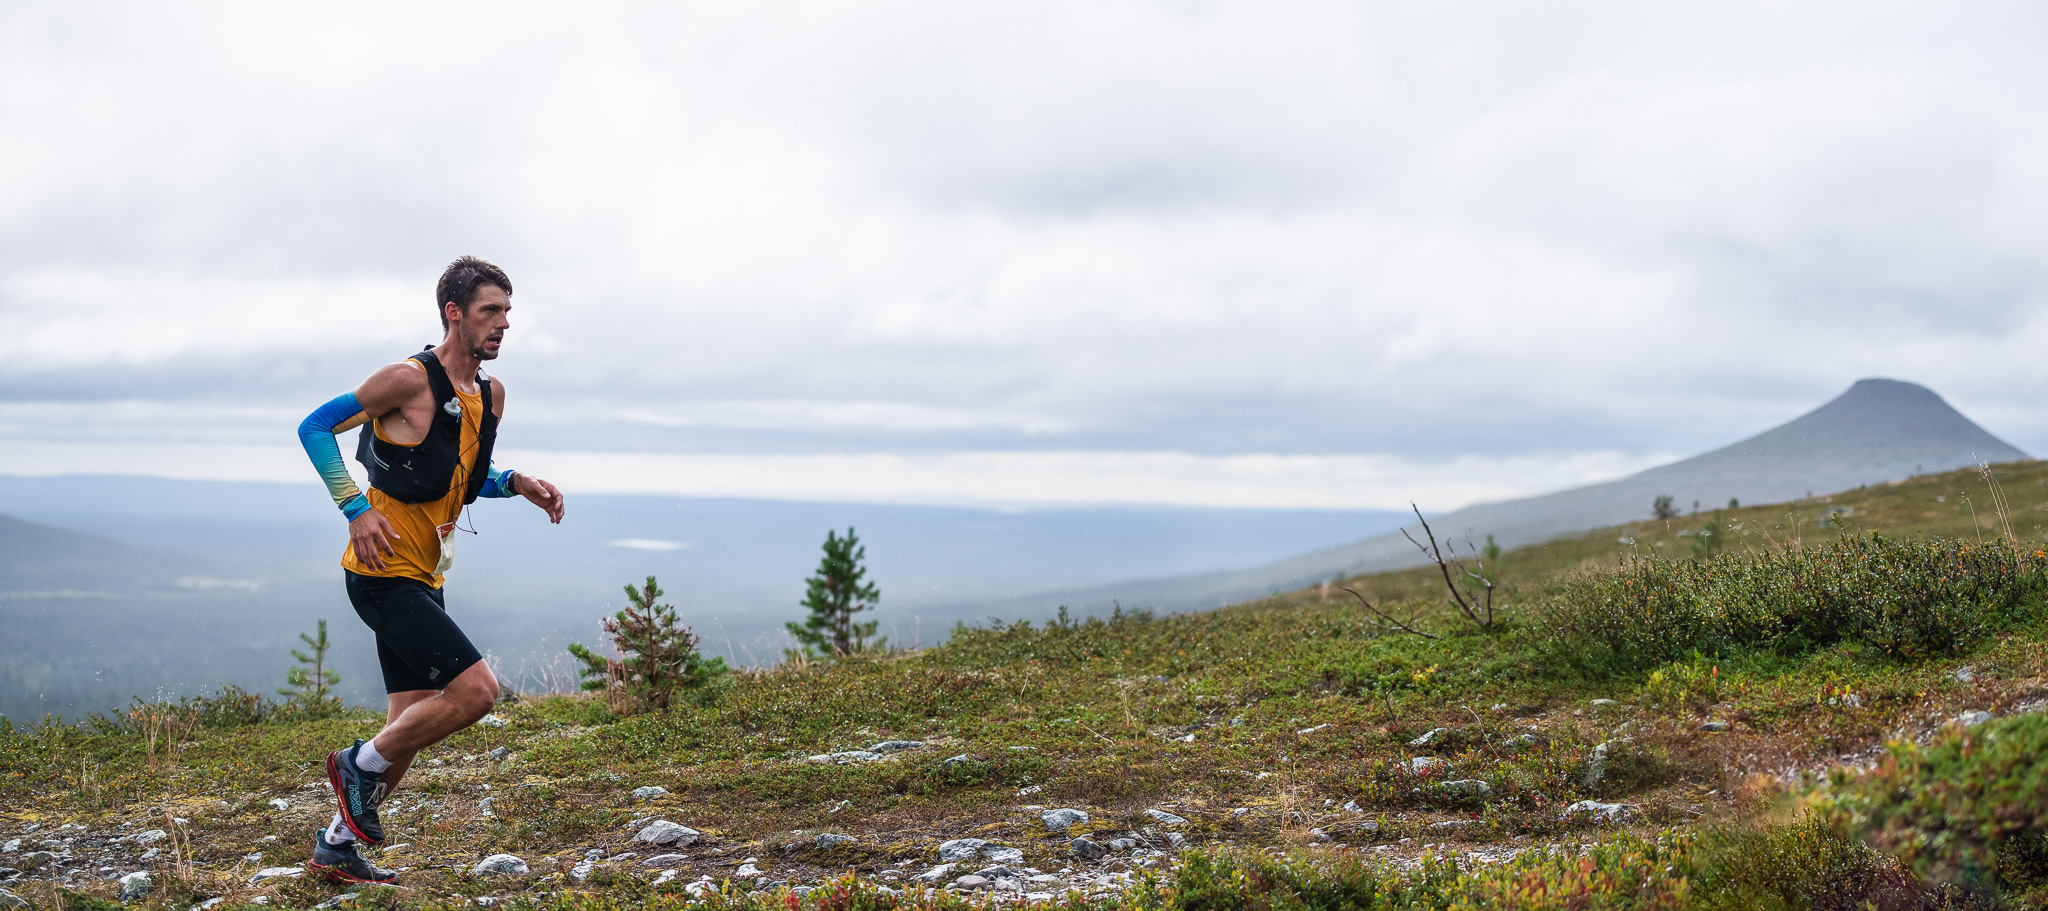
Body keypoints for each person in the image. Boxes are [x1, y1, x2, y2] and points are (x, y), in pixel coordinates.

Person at [293, 256, 565, 884]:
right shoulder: (407, 380)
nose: (502, 325)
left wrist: (515, 483)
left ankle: (336, 846)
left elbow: (456, 479)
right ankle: (355, 764)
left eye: (507, 313)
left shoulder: (490, 396)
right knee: (477, 693)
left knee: (408, 725)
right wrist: (354, 507)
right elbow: (315, 426)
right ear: (454, 313)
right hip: (381, 573)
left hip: (426, 576)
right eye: (489, 311)